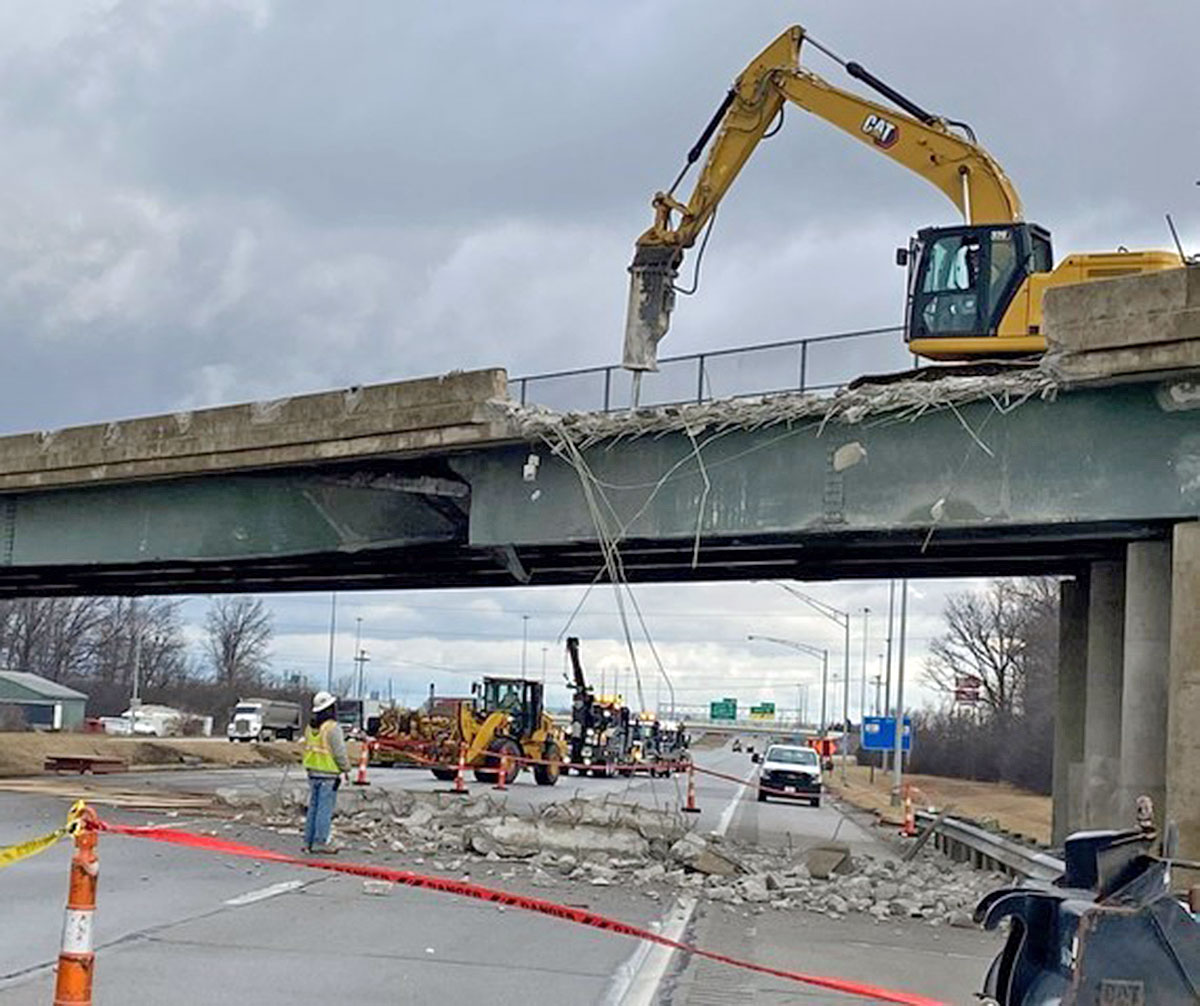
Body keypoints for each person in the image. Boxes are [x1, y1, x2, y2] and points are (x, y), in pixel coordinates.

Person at [302, 691, 350, 854]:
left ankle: (308, 841)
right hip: (328, 774)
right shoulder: (332, 728)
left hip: (312, 772)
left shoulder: (310, 727)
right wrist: (346, 769)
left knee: (313, 808)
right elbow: (339, 752)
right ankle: (321, 841)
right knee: (324, 809)